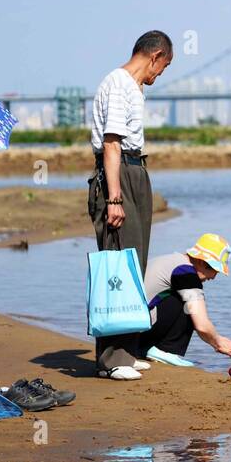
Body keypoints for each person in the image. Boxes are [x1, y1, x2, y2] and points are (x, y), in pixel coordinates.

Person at [88, 30, 173, 381]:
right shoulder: (119, 84)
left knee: (132, 264)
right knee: (116, 267)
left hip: (135, 171)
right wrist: (114, 197)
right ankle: (112, 360)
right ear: (154, 56)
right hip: (119, 174)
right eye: (163, 67)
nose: (160, 75)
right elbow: (111, 144)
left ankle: (127, 349)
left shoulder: (133, 88)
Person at [136, 233, 231, 366]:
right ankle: (164, 350)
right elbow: (201, 325)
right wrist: (218, 342)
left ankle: (147, 349)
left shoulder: (172, 260)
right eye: (216, 270)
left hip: (125, 333)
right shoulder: (185, 272)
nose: (214, 277)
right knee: (192, 304)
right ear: (203, 262)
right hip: (137, 333)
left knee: (189, 298)